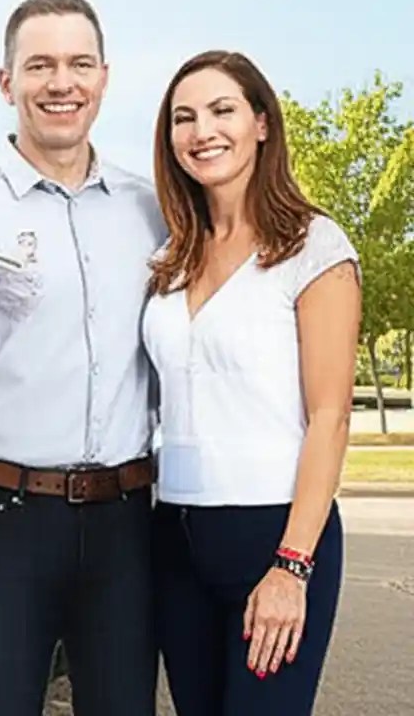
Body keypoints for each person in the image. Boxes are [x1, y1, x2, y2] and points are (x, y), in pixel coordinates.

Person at [0, 0, 166, 713]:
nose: (62, 83)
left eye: (79, 64)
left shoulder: (150, 211)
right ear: (6, 81)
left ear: (105, 78)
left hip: (123, 525)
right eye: (41, 65)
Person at [142, 49, 359, 716]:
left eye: (221, 109)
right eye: (184, 117)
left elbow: (331, 416)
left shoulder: (314, 247)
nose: (201, 130)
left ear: (262, 123)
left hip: (275, 534)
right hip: (174, 534)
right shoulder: (168, 256)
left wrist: (292, 566)